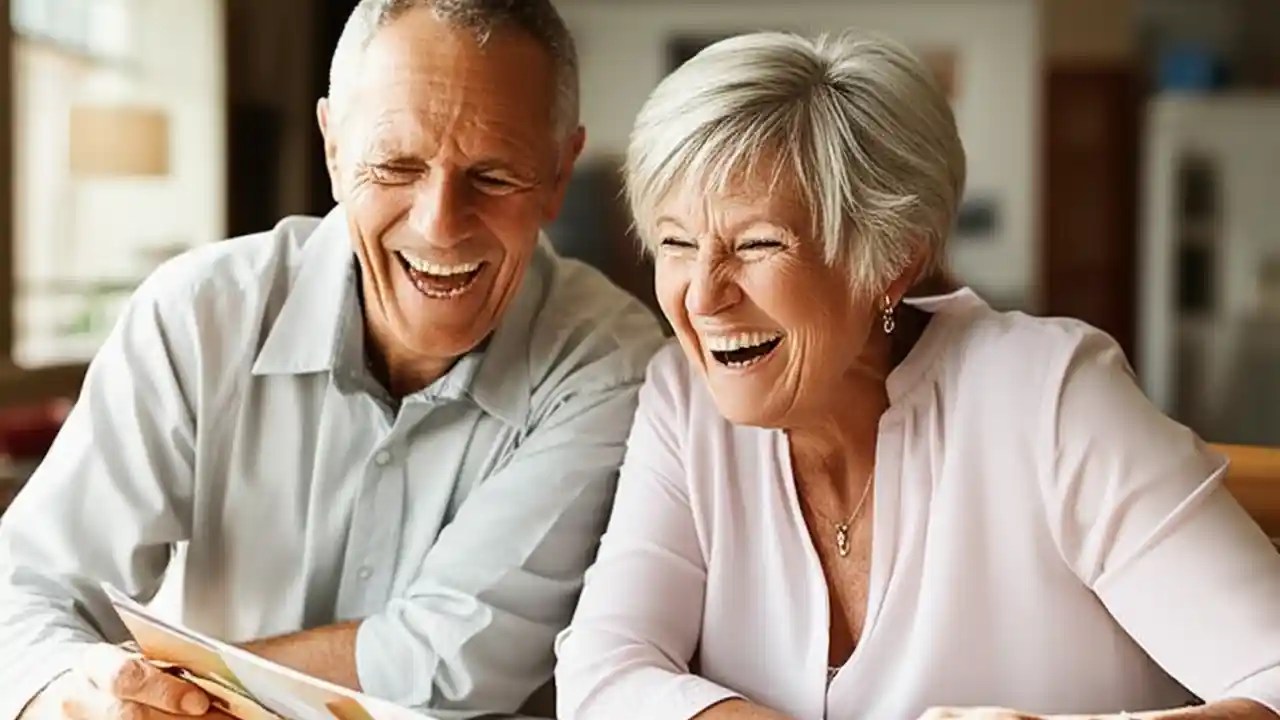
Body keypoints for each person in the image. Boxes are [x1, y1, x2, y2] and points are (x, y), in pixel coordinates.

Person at [554, 30, 1280, 720]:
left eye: (757, 244)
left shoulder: (1052, 397)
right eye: (677, 243)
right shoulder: (683, 402)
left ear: (891, 261)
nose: (704, 296)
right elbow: (604, 672)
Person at [0, 1, 664, 718]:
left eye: (494, 176)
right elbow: (29, 587)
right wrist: (81, 692)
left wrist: (184, 700)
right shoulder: (196, 315)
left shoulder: (615, 365)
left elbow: (445, 660)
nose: (439, 223)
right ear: (335, 150)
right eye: (396, 164)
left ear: (560, 172)